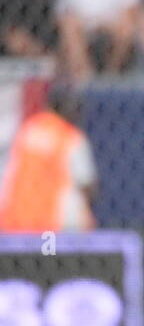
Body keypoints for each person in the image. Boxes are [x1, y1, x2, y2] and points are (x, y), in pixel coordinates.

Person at [0, 86, 97, 234]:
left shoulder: (27, 129)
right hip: (52, 227)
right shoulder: (70, 137)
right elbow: (87, 185)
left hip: (16, 224)